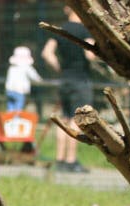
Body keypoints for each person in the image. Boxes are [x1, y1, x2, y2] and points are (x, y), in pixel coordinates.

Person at [42, 6, 96, 173]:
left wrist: (59, 68)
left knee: (64, 118)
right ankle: (71, 161)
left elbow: (47, 53)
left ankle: (59, 160)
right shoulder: (84, 31)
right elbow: (90, 55)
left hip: (64, 79)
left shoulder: (61, 30)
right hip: (80, 80)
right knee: (76, 119)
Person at [5, 46, 42, 112]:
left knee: (10, 107)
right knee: (18, 107)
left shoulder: (12, 67)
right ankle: (15, 120)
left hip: (9, 90)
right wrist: (40, 80)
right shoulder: (27, 67)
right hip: (20, 91)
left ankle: (9, 120)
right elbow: (34, 76)